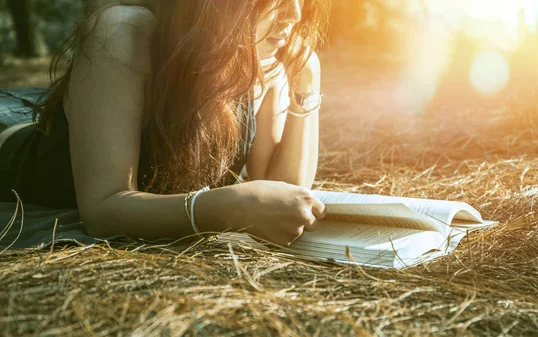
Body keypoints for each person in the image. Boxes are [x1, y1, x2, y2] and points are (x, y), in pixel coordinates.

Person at [0, 0, 331, 247]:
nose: (296, 15)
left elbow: (288, 197)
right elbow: (101, 210)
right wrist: (228, 206)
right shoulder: (124, 33)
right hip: (13, 141)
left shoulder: (261, 62)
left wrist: (308, 78)